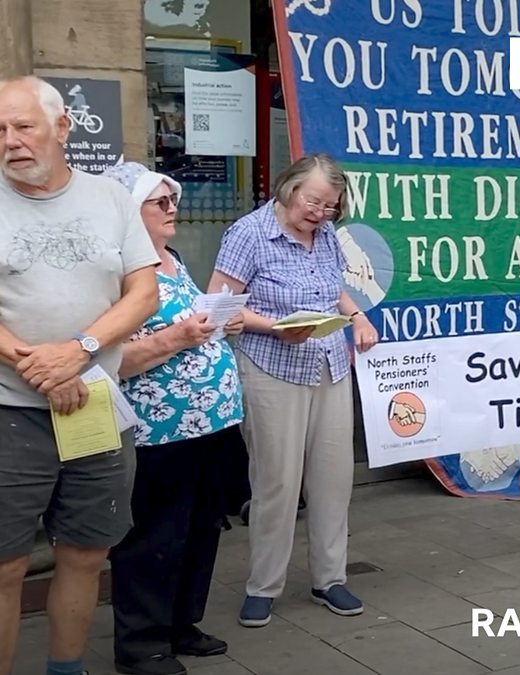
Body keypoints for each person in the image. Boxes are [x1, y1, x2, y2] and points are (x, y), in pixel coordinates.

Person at [0, 77, 159, 675]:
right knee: (5, 566)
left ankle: (67, 669)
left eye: (23, 126)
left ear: (62, 127)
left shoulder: (111, 199)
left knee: (87, 551)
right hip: (10, 411)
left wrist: (79, 351)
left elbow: (143, 293)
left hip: (95, 403)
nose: (11, 141)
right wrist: (44, 367)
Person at [207, 153, 379, 629]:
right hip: (272, 367)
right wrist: (275, 328)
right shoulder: (248, 233)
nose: (320, 214)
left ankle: (330, 578)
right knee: (277, 482)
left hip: (329, 364)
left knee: (333, 478)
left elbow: (334, 287)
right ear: (289, 187)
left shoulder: (326, 234)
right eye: (313, 202)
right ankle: (263, 586)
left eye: (330, 206)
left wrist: (358, 316)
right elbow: (218, 306)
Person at [101, 161, 245, 675]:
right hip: (159, 430)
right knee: (153, 537)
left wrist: (216, 325)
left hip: (211, 423)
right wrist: (178, 338)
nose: (172, 209)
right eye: (159, 202)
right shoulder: (118, 273)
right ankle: (142, 646)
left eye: (173, 200)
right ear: (127, 211)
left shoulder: (171, 258)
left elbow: (191, 324)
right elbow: (113, 359)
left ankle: (182, 624)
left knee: (201, 529)